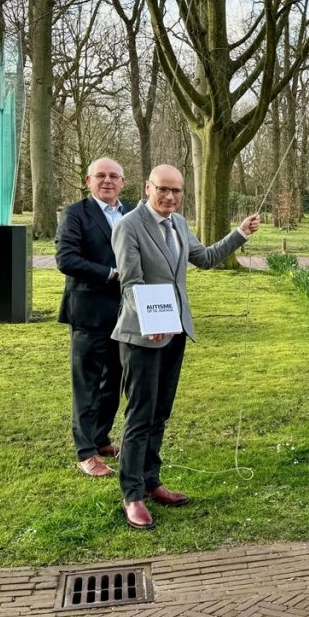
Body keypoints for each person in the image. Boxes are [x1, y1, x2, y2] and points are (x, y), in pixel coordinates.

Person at [111, 164, 261, 530]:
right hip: (141, 337)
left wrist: (240, 233)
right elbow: (130, 283)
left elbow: (206, 259)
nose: (170, 197)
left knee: (160, 413)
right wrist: (151, 321)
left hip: (175, 333)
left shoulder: (178, 224)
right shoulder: (128, 226)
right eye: (163, 189)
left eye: (177, 191)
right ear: (148, 187)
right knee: (140, 416)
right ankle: (132, 495)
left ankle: (151, 481)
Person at [55, 157, 130, 478]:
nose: (108, 181)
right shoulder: (75, 214)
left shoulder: (131, 214)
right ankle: (85, 452)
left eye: (114, 176)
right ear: (89, 181)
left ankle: (100, 438)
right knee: (86, 384)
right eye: (101, 176)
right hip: (88, 312)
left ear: (123, 183)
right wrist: (111, 274)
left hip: (126, 313)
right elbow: (66, 258)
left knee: (113, 380)